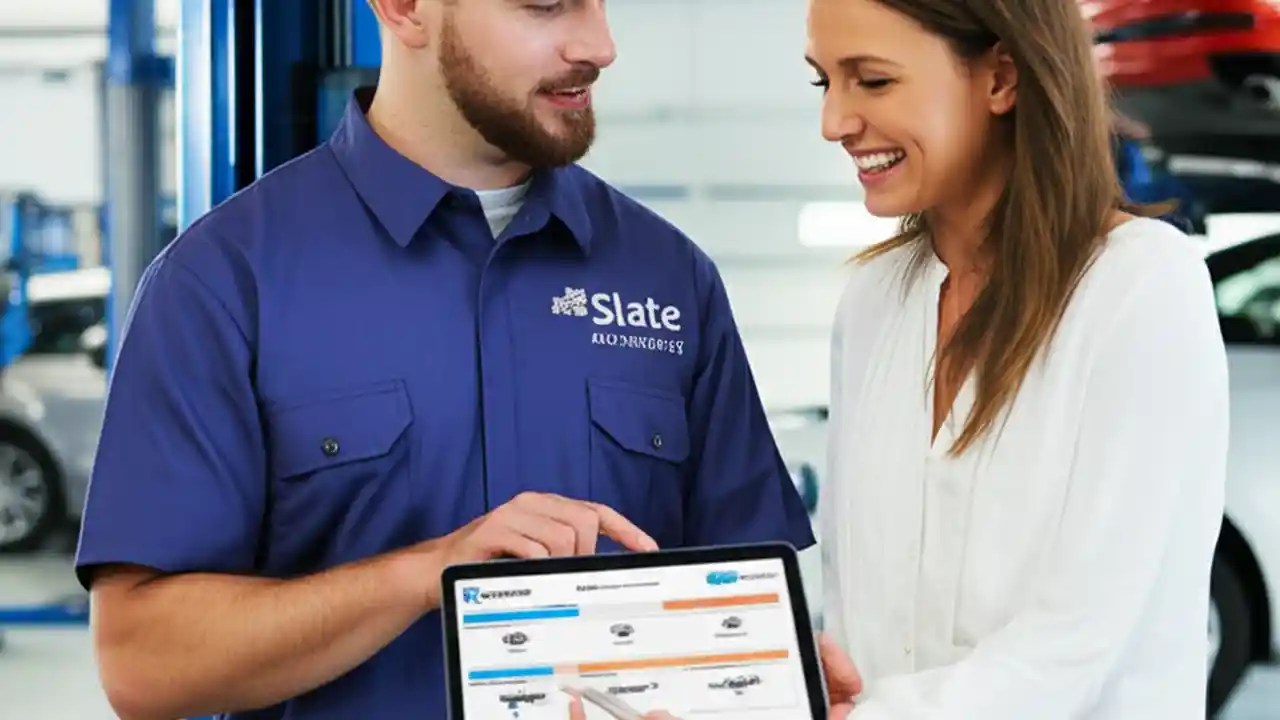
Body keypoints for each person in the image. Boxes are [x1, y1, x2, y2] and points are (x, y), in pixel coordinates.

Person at [74, 1, 816, 718]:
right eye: (546, 5)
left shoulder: (667, 277)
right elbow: (144, 665)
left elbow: (746, 618)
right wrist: (423, 575)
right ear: (403, 8)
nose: (599, 44)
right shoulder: (224, 283)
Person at [807, 0, 1229, 717]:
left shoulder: (1140, 285)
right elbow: (852, 608)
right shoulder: (873, 304)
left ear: (1002, 77)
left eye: (872, 81)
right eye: (824, 83)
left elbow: (1079, 638)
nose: (835, 122)